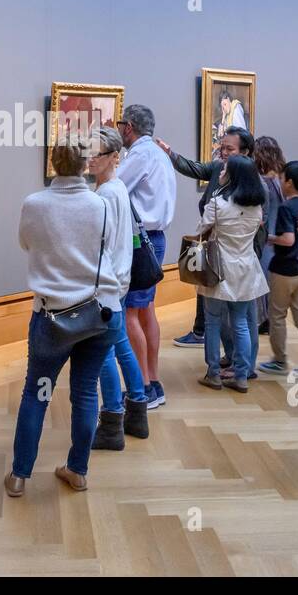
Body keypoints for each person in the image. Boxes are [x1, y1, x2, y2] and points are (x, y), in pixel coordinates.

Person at [7, 142, 122, 496]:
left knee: (37, 393)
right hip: (99, 313)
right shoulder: (100, 204)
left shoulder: (35, 204)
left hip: (53, 316)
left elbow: (26, 244)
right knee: (86, 392)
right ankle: (78, 470)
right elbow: (109, 246)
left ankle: (19, 476)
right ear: (86, 165)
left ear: (53, 165)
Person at [155, 126, 255, 350]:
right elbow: (195, 168)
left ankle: (236, 365)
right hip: (213, 247)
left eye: (230, 148)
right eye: (222, 147)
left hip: (236, 255)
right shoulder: (219, 167)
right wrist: (170, 153)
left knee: (236, 316)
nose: (223, 152)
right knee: (214, 302)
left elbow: (256, 224)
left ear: (245, 152)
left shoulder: (249, 182)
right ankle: (231, 360)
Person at [87, 126, 148, 451]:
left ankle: (112, 421)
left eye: (97, 153)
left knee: (104, 353)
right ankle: (137, 409)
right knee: (120, 345)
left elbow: (100, 247)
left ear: (114, 157)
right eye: (89, 152)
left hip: (107, 285)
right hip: (119, 280)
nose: (90, 159)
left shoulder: (105, 195)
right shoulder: (118, 188)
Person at [115, 104, 177, 408]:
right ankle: (153, 380)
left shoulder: (140, 154)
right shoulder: (158, 152)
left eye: (119, 125)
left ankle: (143, 387)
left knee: (129, 314)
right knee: (146, 310)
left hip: (140, 241)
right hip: (157, 239)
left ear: (129, 127)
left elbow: (114, 188)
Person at [194, 155, 268, 392]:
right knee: (241, 323)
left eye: (226, 168)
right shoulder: (256, 208)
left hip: (219, 268)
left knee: (213, 322)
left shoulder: (218, 204)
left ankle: (213, 373)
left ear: (233, 175)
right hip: (246, 268)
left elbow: (200, 230)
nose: (222, 170)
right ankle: (242, 375)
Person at [257, 161, 298, 377]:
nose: (280, 181)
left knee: (276, 316)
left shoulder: (286, 208)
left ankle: (279, 360)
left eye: (282, 178)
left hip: (285, 270)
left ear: (289, 183)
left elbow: (287, 239)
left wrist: (269, 238)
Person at [253, 136, 287, 340]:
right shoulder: (280, 179)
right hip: (278, 240)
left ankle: (264, 319)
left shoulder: (263, 182)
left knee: (262, 281)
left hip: (266, 240)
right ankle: (271, 319)